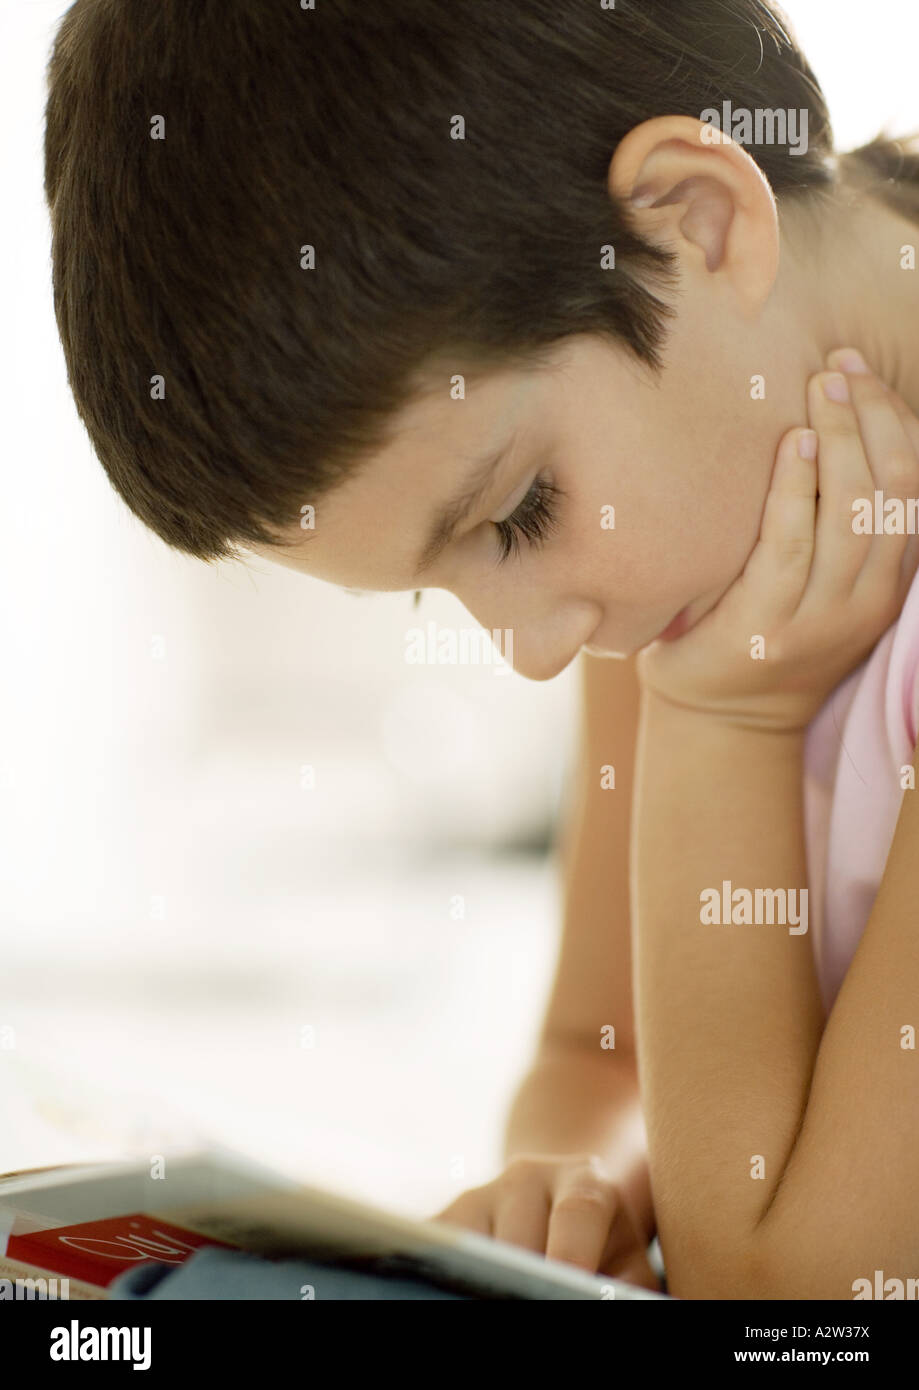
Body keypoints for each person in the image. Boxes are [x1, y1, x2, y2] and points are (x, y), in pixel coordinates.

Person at [43, 0, 919, 1298]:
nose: (534, 651)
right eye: (438, 591)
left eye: (518, 515)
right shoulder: (697, 550)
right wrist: (580, 1184)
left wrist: (723, 730)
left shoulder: (701, 638)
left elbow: (803, 1300)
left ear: (697, 219)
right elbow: (602, 1054)